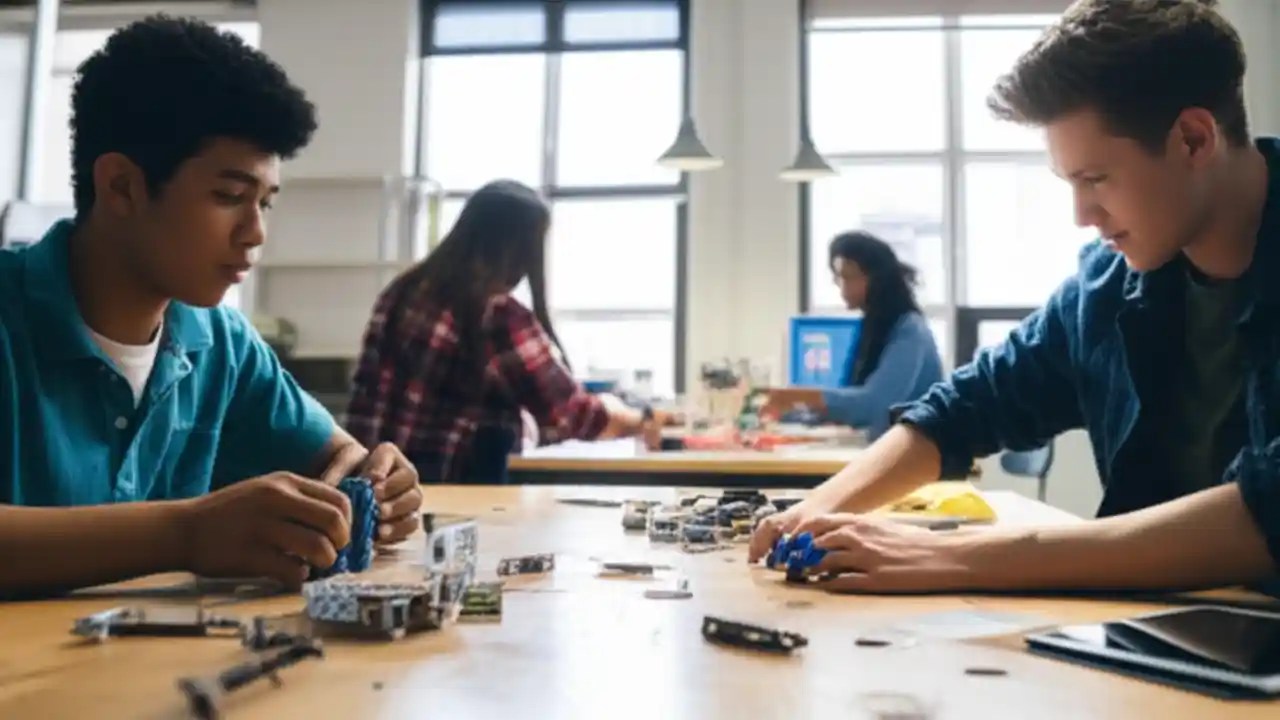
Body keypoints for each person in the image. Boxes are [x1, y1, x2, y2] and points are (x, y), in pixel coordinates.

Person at [749, 0, 1280, 595]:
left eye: (1096, 179)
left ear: (1192, 138)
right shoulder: (1107, 287)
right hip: (1169, 640)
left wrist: (948, 557)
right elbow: (961, 409)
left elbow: (1265, 516)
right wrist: (811, 515)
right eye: (1070, 182)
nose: (1082, 215)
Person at [0, 16, 424, 597]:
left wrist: (370, 484)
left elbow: (337, 456)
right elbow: (188, 535)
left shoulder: (219, 342)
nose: (255, 233)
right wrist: (185, 533)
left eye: (266, 203)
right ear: (121, 186)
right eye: (229, 197)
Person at [345, 180, 667, 483]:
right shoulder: (495, 314)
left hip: (372, 488)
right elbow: (571, 415)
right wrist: (642, 419)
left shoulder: (402, 291)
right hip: (447, 498)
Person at [761, 232, 943, 440]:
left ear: (877, 278)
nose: (841, 286)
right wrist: (786, 414)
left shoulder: (910, 331)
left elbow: (875, 405)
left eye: (849, 277)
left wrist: (803, 396)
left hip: (915, 461)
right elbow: (847, 407)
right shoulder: (872, 328)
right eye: (838, 278)